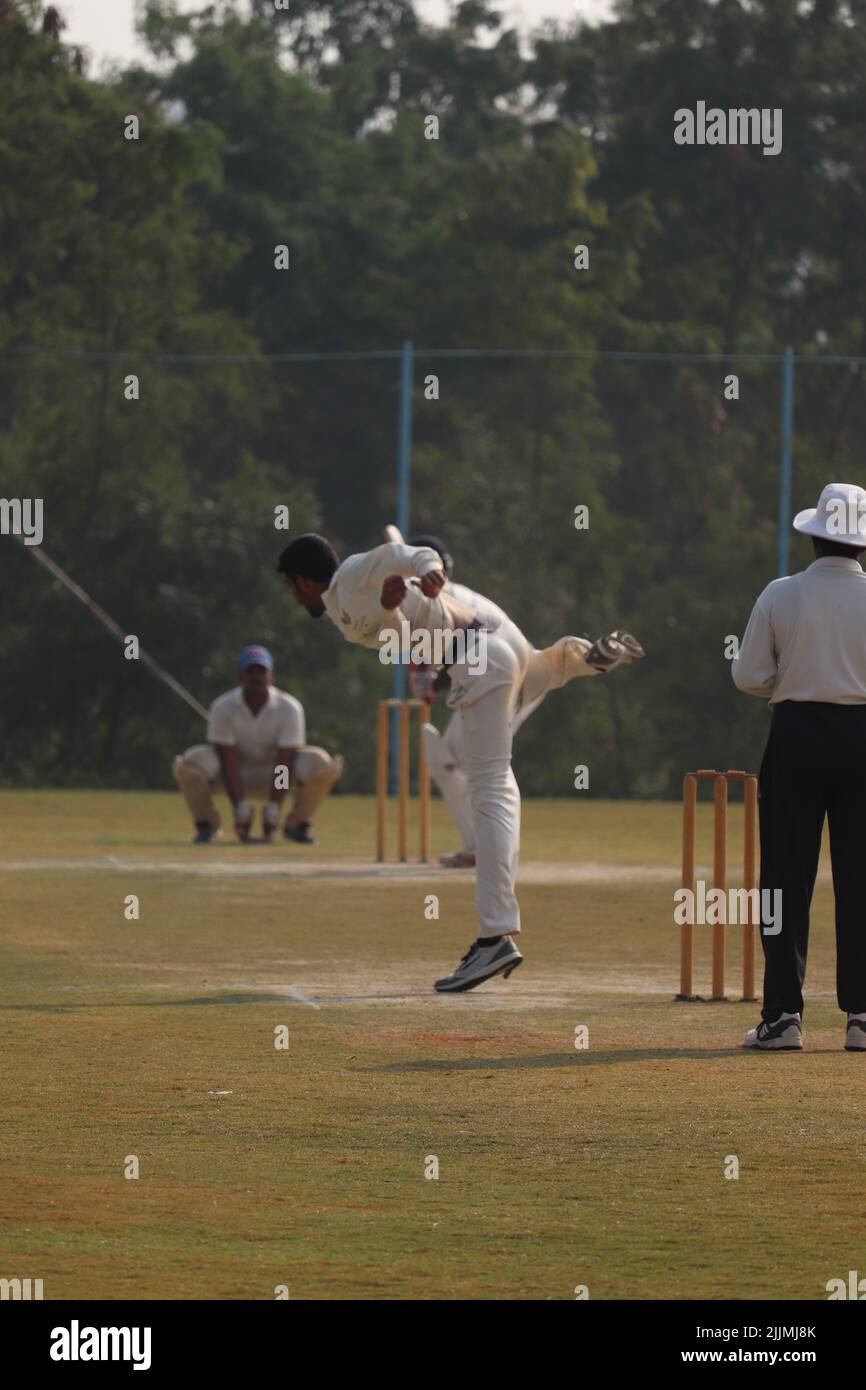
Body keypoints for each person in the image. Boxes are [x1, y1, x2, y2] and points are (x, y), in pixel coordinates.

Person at [277, 534, 644, 992]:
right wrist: (392, 607)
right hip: (497, 642)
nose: (294, 598)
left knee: (489, 787)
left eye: (291, 589)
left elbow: (397, 555)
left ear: (301, 581)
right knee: (499, 780)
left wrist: (427, 566)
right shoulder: (342, 609)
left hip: (476, 656)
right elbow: (395, 635)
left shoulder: (351, 573)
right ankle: (578, 659)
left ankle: (494, 936)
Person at [405, 533, 642, 868]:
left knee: (473, 758)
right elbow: (464, 652)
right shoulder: (455, 596)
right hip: (519, 668)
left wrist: (432, 681)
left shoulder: (438, 598)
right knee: (457, 756)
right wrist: (432, 678)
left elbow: (468, 651)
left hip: (499, 677)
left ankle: (492, 851)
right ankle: (588, 658)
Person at [732, 482, 866, 1052]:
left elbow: (747, 675)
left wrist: (790, 681)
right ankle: (862, 1018)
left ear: (812, 536)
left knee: (785, 879)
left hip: (796, 733)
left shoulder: (780, 594)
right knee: (861, 876)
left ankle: (783, 1016)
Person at [172, 644, 342, 845]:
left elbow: (284, 762)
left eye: (261, 671)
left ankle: (297, 824)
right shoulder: (222, 706)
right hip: (232, 776)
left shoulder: (289, 707)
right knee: (192, 761)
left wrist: (274, 809)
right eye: (250, 671)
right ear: (239, 676)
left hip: (277, 774)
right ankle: (207, 826)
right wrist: (240, 809)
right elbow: (229, 761)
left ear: (272, 675)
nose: (256, 677)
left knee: (320, 762)